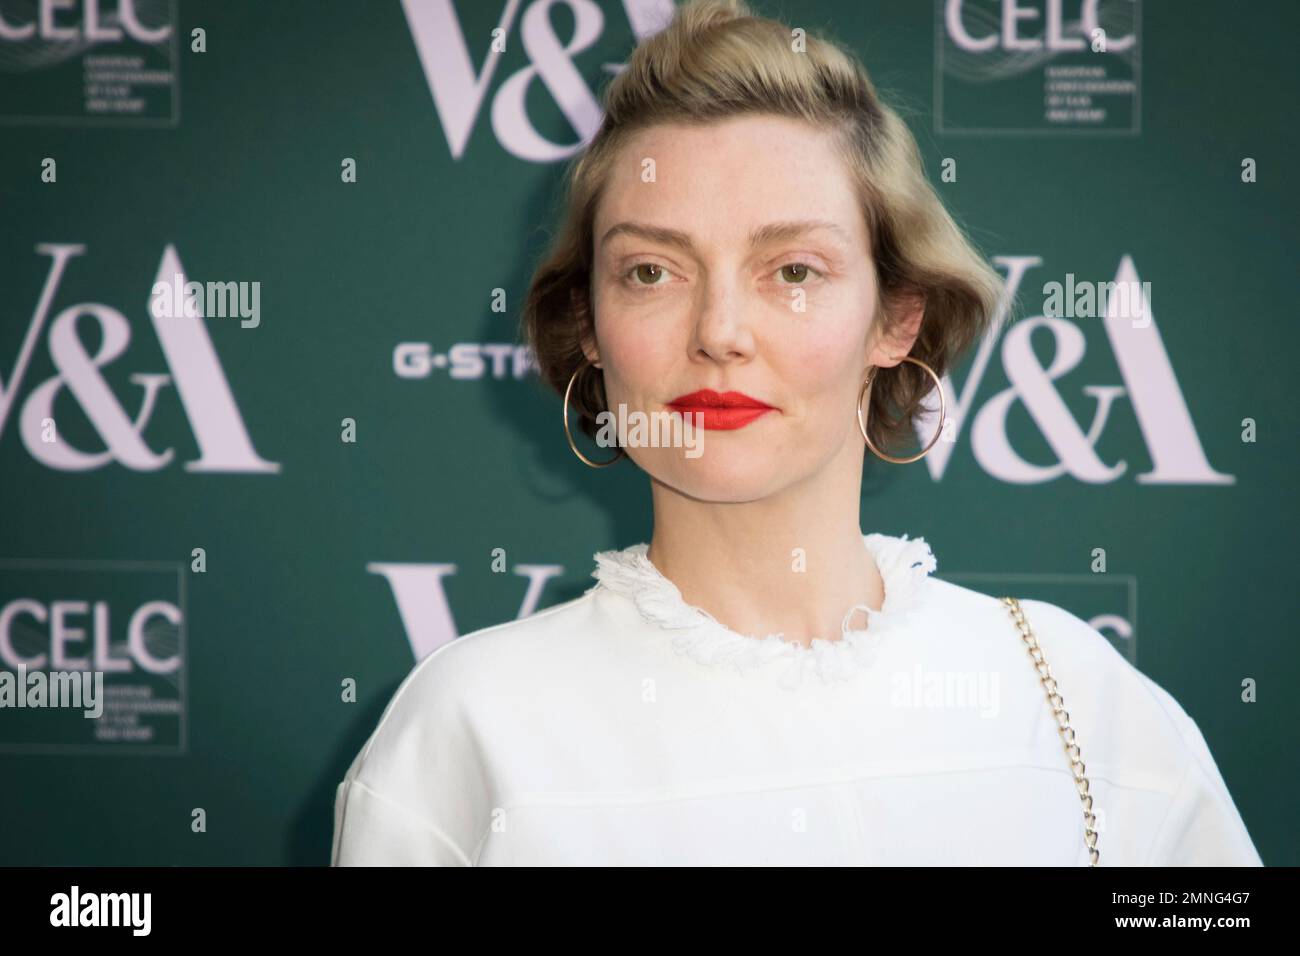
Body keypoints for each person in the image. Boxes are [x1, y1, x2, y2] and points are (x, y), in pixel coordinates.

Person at [331, 0, 1261, 866]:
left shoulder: (1077, 697)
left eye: (795, 270)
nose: (719, 331)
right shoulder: (466, 731)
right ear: (587, 326)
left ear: (897, 317)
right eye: (652, 271)